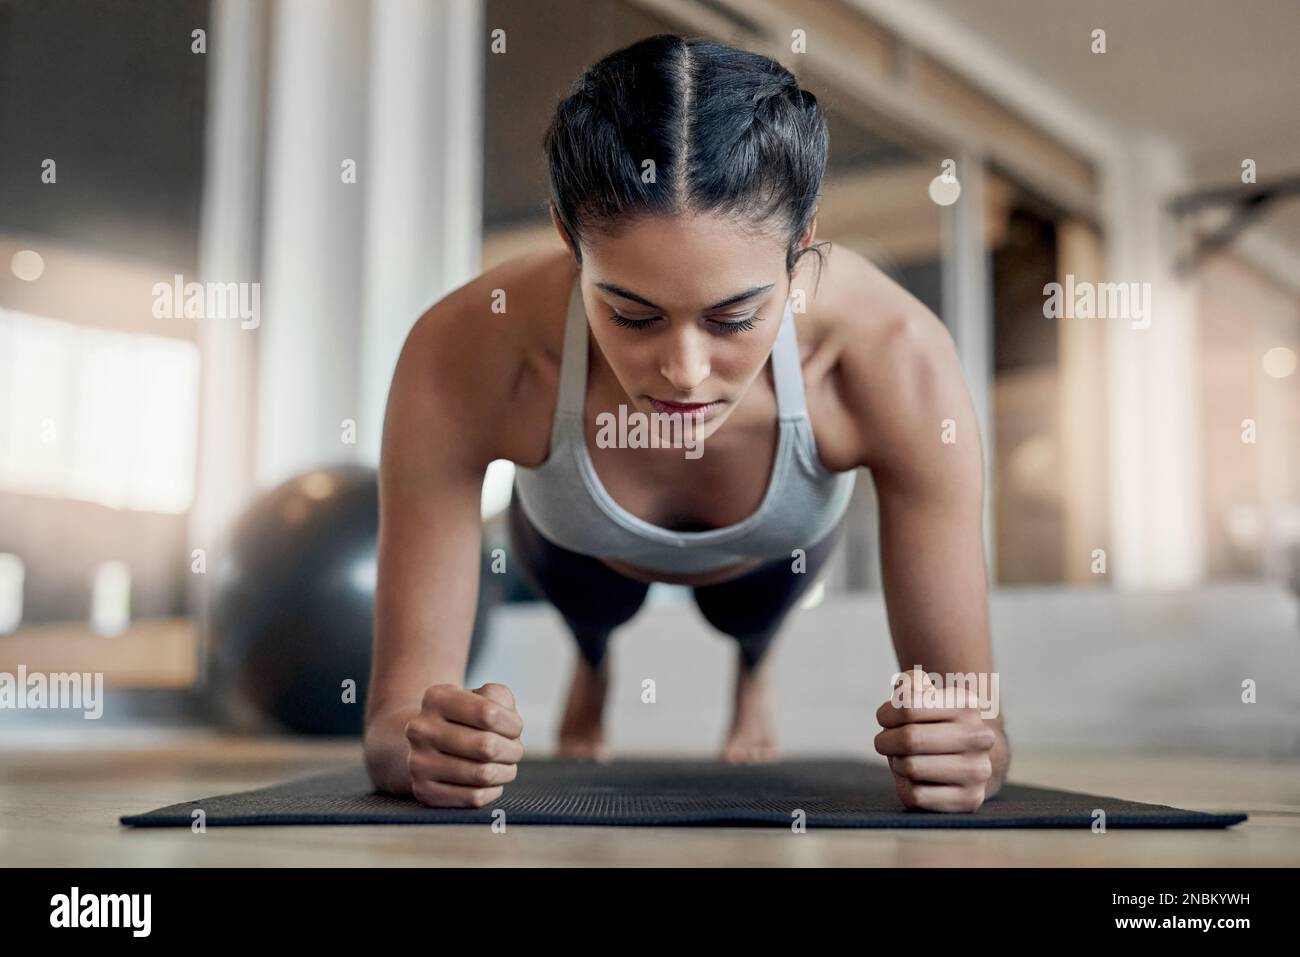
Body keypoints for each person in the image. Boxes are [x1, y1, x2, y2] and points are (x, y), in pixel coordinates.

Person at [364, 34, 1010, 813]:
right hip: (577, 551)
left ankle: (753, 670)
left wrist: (968, 750)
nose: (685, 372)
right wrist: (424, 748)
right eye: (632, 314)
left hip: (772, 558)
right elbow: (391, 723)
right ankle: (593, 661)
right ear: (570, 243)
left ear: (799, 249)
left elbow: (983, 727)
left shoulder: (896, 357)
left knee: (751, 612)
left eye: (735, 316)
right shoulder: (464, 349)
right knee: (591, 603)